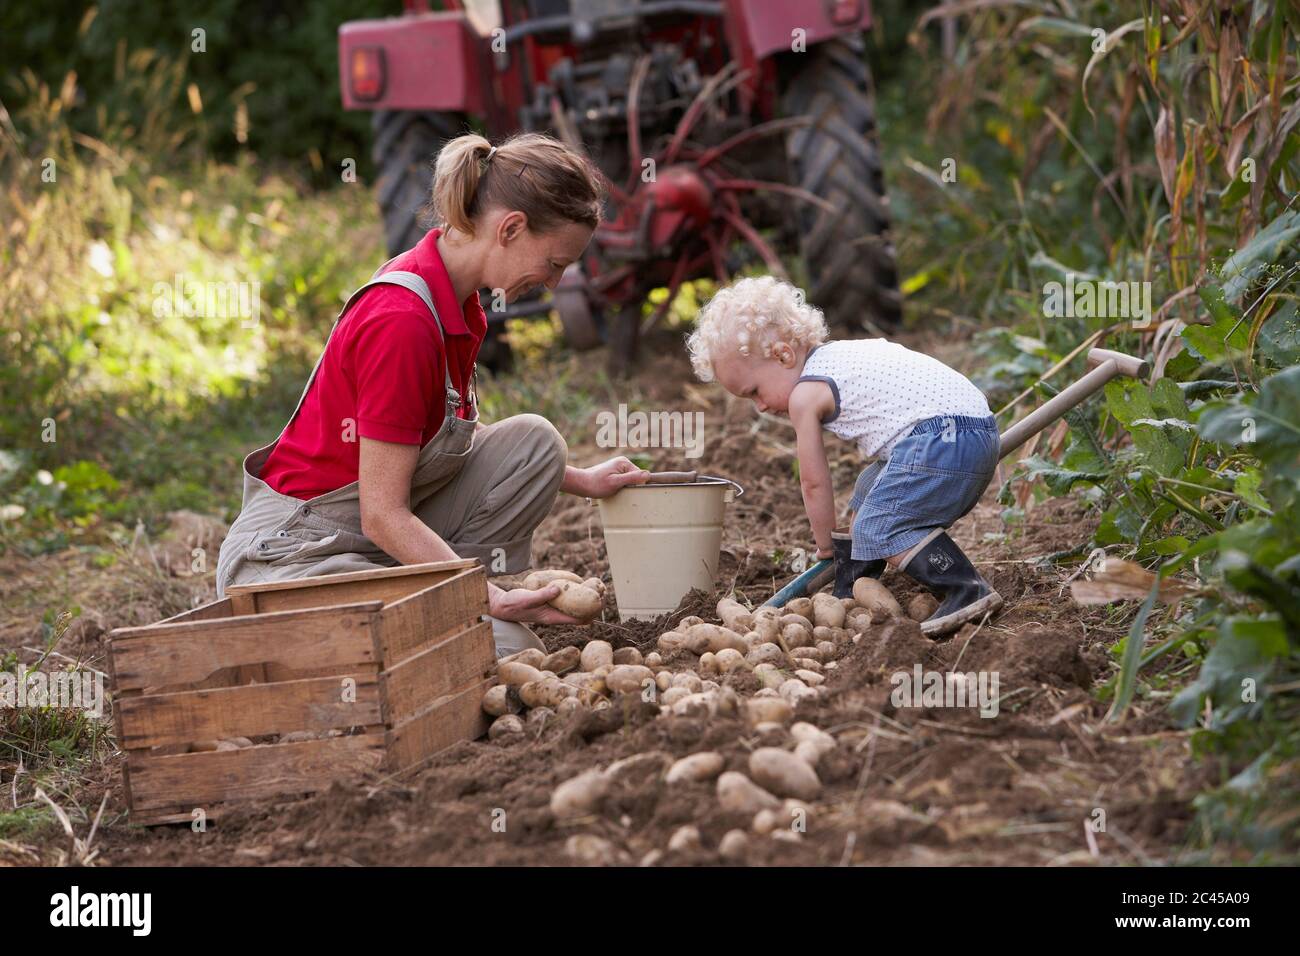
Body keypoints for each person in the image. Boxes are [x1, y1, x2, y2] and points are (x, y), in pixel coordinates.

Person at [215, 132, 648, 656]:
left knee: (536, 445)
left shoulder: (459, 302)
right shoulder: (403, 320)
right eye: (554, 263)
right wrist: (483, 596)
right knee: (508, 648)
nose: (554, 283)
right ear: (510, 228)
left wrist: (580, 478)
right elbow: (382, 514)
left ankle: (441, 600)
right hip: (292, 559)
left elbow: (435, 431)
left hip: (362, 539)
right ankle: (458, 605)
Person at [685, 276, 1002, 637]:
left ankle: (965, 587)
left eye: (754, 391)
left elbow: (814, 482)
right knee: (870, 488)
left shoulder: (806, 395)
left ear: (783, 355)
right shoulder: (841, 357)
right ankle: (854, 581)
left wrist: (824, 546)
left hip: (941, 442)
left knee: (879, 525)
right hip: (976, 430)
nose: (759, 406)